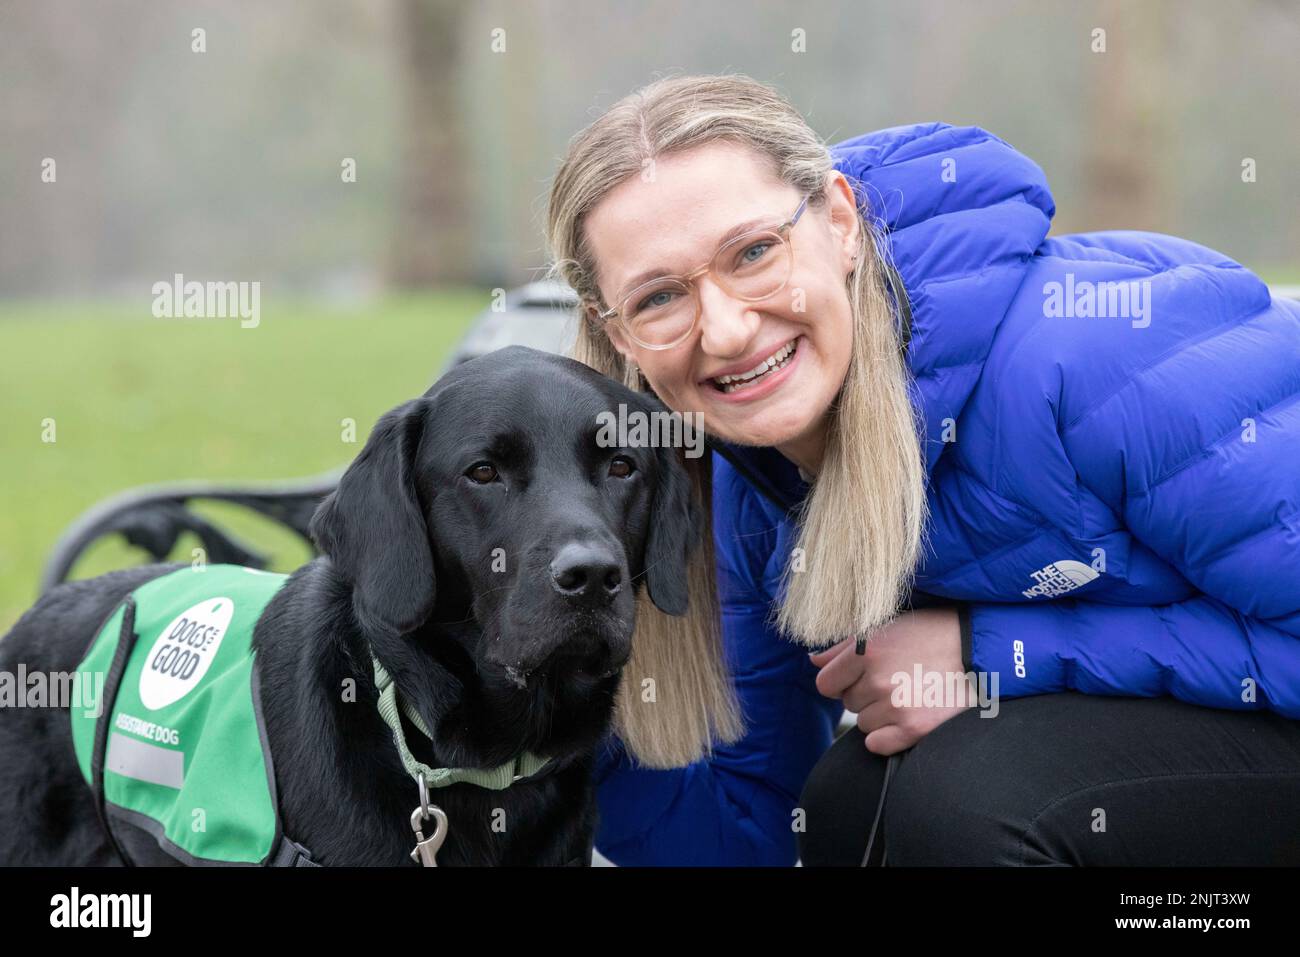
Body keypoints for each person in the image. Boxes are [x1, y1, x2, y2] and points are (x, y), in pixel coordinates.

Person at [543, 73, 1300, 866]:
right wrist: (542, 716)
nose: (727, 331)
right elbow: (751, 829)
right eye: (661, 297)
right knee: (847, 804)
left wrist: (989, 653)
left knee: (970, 799)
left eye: (755, 252)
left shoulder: (1092, 360)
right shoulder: (744, 482)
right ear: (617, 333)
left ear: (841, 222)